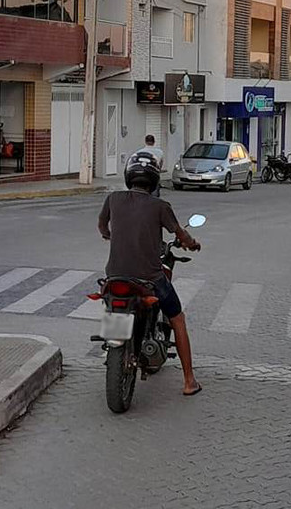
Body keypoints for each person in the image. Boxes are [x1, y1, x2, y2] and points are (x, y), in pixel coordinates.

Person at [98, 151, 202, 397]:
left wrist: (111, 237)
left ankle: (112, 345)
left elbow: (102, 225)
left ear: (128, 177)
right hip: (150, 278)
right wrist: (191, 243)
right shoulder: (160, 206)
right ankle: (189, 381)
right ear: (155, 180)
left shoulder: (113, 199)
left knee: (111, 305)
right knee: (177, 318)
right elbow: (180, 234)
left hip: (115, 276)